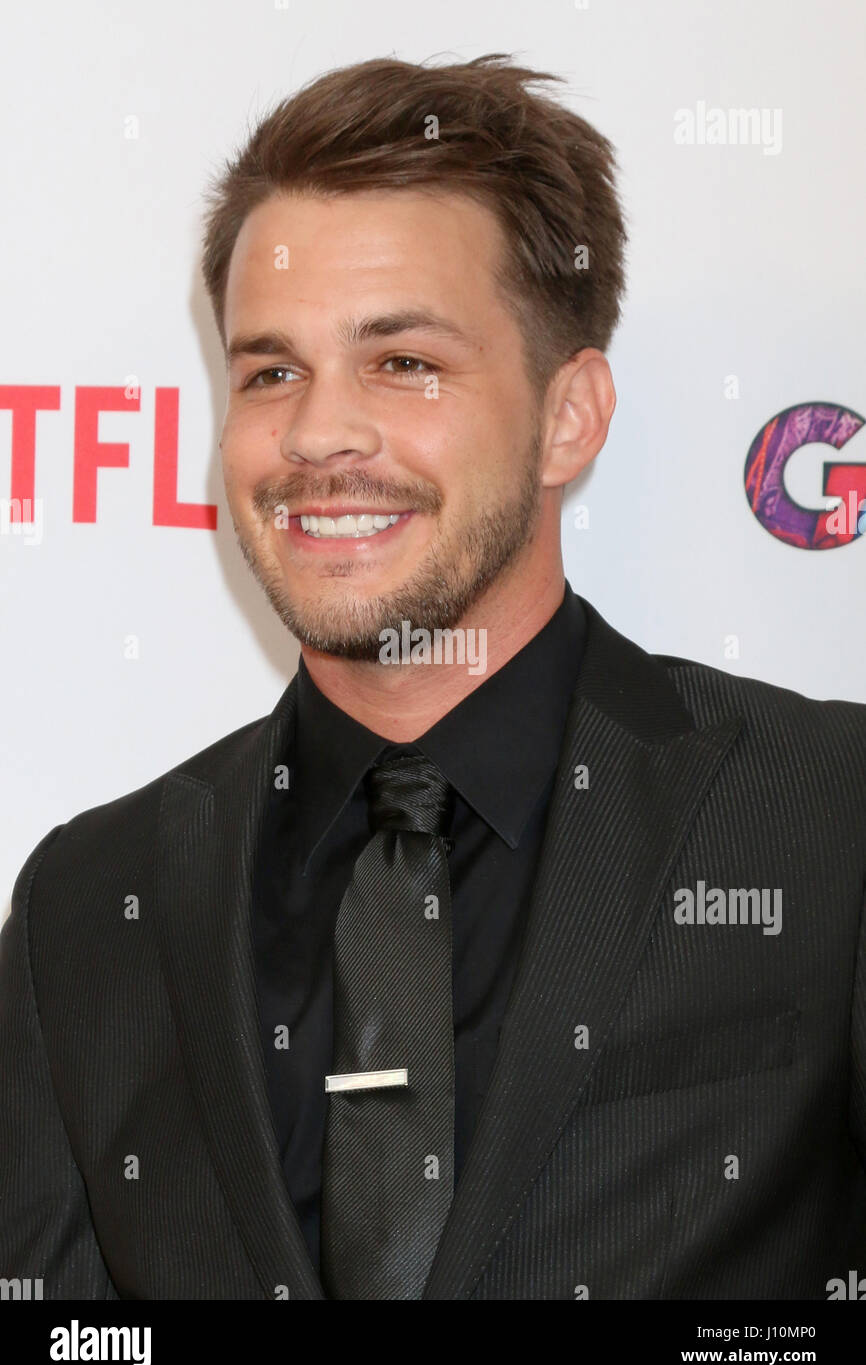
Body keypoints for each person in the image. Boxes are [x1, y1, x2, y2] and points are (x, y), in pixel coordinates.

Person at [2, 53, 865, 1302]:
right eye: (270, 372)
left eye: (402, 363)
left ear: (568, 417)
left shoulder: (826, 817)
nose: (315, 434)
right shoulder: (90, 901)